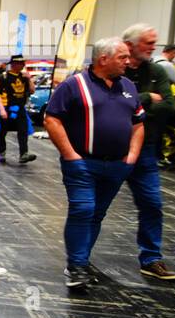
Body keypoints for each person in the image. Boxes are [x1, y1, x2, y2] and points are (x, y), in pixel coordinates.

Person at [43, 37, 144, 288]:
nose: (128, 62)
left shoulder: (129, 86)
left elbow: (139, 123)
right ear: (103, 59)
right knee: (83, 209)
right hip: (82, 164)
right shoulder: (74, 85)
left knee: (97, 214)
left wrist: (131, 157)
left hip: (117, 166)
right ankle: (76, 266)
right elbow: (52, 120)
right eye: (123, 57)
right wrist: (70, 155)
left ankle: (82, 261)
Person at [121, 23, 175, 281]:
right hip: (111, 150)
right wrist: (145, 98)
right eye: (148, 43)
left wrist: (132, 105)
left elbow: (168, 106)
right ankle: (80, 262)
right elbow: (112, 106)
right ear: (132, 44)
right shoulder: (116, 68)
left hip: (146, 149)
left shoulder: (156, 70)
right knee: (94, 207)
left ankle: (151, 258)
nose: (154, 47)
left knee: (153, 204)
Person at [0, 55, 36, 164]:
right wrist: (1, 109)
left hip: (20, 109)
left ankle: (23, 154)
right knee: (2, 131)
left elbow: (32, 91)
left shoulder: (24, 77)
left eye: (22, 63)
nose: (21, 65)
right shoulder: (3, 77)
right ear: (13, 64)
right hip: (6, 108)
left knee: (23, 130)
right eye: (19, 63)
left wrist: (29, 79)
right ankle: (1, 152)